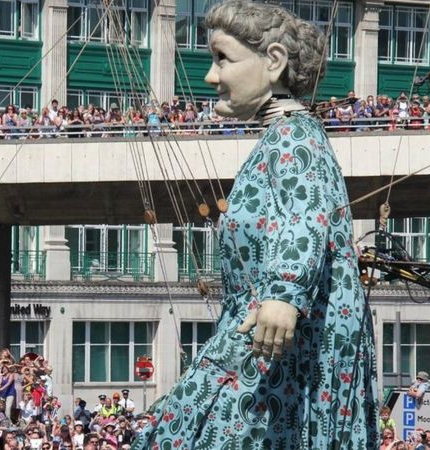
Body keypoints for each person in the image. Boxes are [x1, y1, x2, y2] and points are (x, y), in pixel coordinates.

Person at [131, 2, 377, 448]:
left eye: (223, 58)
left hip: (280, 342)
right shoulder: (281, 137)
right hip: (265, 338)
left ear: (274, 62)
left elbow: (304, 217)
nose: (211, 76)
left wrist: (284, 293)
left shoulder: (294, 136)